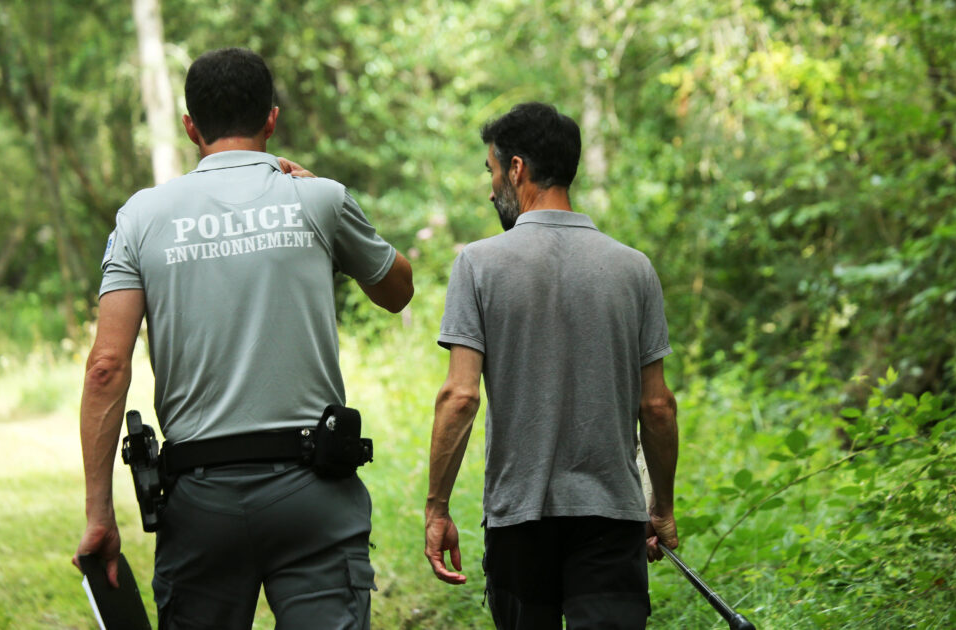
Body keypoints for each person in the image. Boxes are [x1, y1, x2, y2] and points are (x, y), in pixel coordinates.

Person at [72, 47, 413, 629]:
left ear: (189, 127)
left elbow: (107, 365)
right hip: (314, 487)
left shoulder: (141, 216)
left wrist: (100, 512)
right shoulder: (319, 199)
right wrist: (326, 202)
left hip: (199, 499)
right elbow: (396, 289)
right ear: (272, 119)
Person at [424, 102, 679, 629]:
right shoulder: (634, 269)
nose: (490, 187)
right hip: (612, 518)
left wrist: (437, 508)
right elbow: (656, 406)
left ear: (517, 169)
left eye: (492, 172)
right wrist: (661, 510)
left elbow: (460, 397)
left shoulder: (478, 264)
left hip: (521, 519)